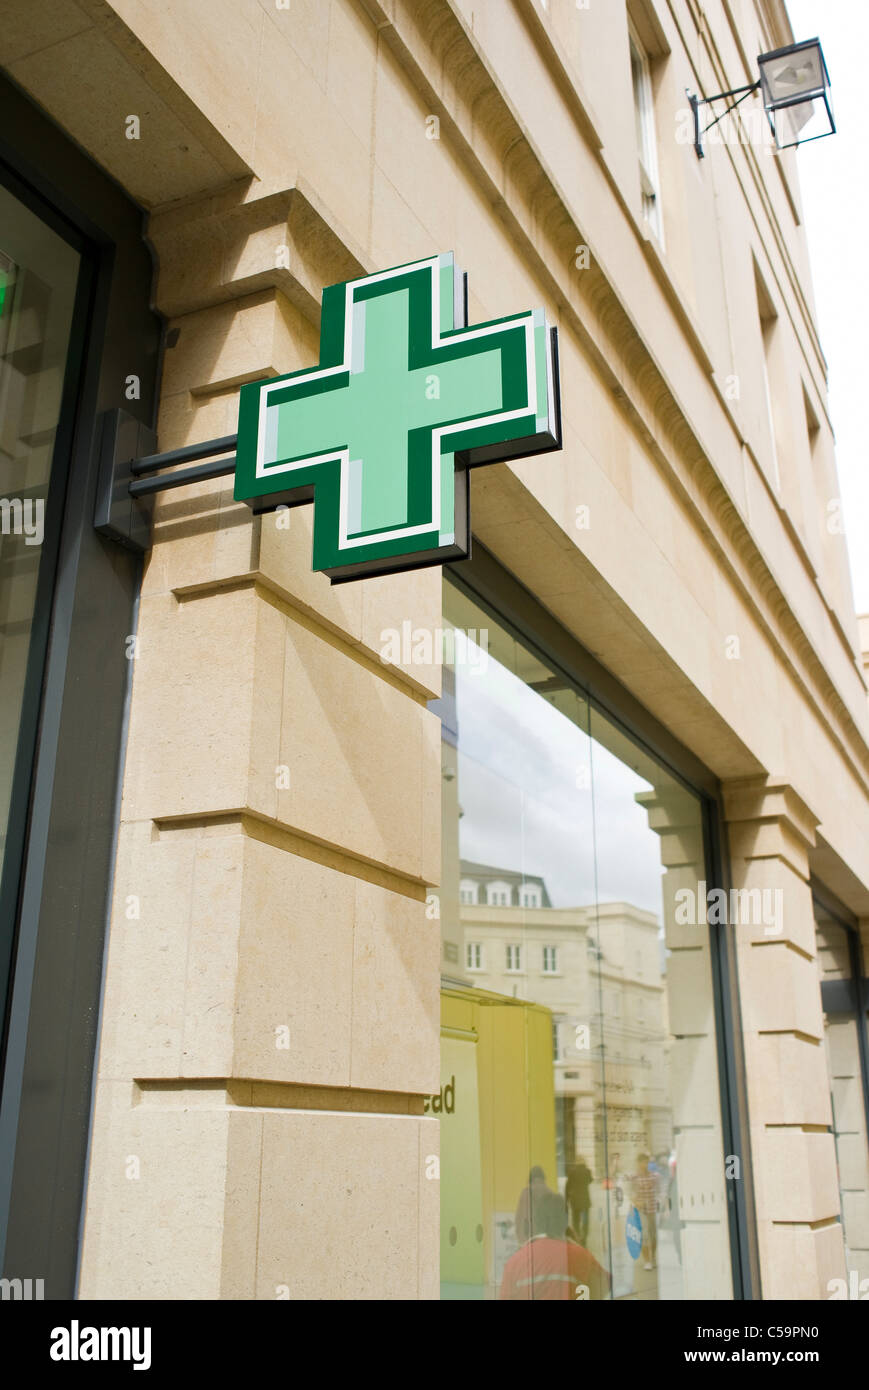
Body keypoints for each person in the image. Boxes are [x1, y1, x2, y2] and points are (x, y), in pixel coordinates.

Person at [500, 1192, 609, 1300]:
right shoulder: (581, 1256)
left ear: (536, 1222)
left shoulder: (515, 1262)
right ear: (565, 1222)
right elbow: (605, 1285)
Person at [514, 1165, 557, 1246]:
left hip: (529, 1240)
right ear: (543, 1178)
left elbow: (519, 1218)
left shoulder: (525, 1194)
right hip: (547, 1241)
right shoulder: (551, 1194)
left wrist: (520, 1239)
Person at [631, 1152, 659, 1271]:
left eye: (646, 1162)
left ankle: (653, 1258)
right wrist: (635, 1202)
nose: (644, 1164)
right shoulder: (634, 1177)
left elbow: (659, 1191)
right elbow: (630, 1192)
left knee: (653, 1236)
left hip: (652, 1209)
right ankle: (647, 1260)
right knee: (644, 1235)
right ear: (638, 1163)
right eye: (642, 1162)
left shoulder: (654, 1176)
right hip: (640, 1210)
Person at [565, 1156, 593, 1244]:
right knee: (585, 1220)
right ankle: (584, 1237)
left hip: (575, 1201)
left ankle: (577, 1237)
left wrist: (566, 1200)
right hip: (585, 1201)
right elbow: (590, 1180)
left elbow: (567, 1187)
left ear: (576, 1162)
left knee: (575, 1221)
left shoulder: (572, 1172)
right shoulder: (587, 1171)